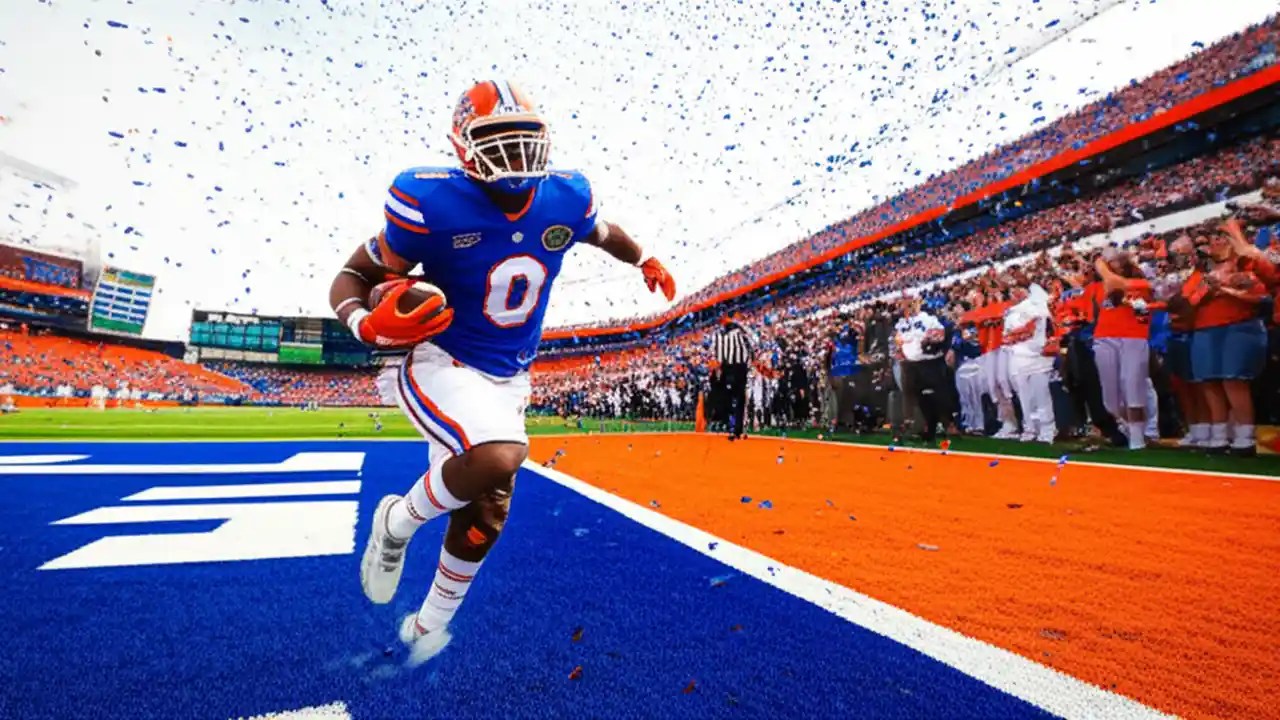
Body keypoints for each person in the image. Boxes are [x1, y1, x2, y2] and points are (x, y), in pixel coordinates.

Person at [327, 80, 678, 665]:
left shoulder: (566, 195)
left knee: (488, 508)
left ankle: (424, 628)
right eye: (498, 137)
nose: (515, 152)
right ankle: (396, 521)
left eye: (526, 138)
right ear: (464, 146)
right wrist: (364, 324)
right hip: (441, 359)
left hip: (512, 374)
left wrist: (643, 258)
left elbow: (602, 232)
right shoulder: (428, 201)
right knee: (498, 453)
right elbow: (351, 275)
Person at [713, 314, 755, 439]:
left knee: (732, 398)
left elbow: (718, 355)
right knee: (739, 399)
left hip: (731, 367)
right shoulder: (739, 330)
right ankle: (737, 428)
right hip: (738, 367)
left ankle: (733, 428)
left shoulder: (721, 335)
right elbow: (750, 346)